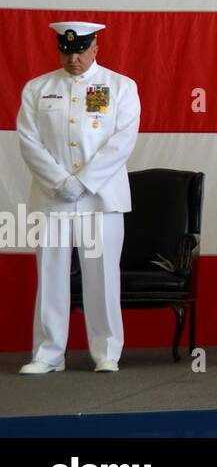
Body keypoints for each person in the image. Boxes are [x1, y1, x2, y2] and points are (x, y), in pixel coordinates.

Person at [17, 21, 140, 374]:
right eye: (67, 51)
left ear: (96, 47)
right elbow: (28, 140)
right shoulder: (38, 88)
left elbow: (122, 141)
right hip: (52, 197)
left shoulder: (120, 87)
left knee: (102, 275)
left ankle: (106, 352)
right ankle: (48, 353)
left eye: (81, 50)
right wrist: (59, 181)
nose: (74, 58)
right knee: (51, 274)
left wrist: (84, 181)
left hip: (101, 199)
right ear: (59, 50)